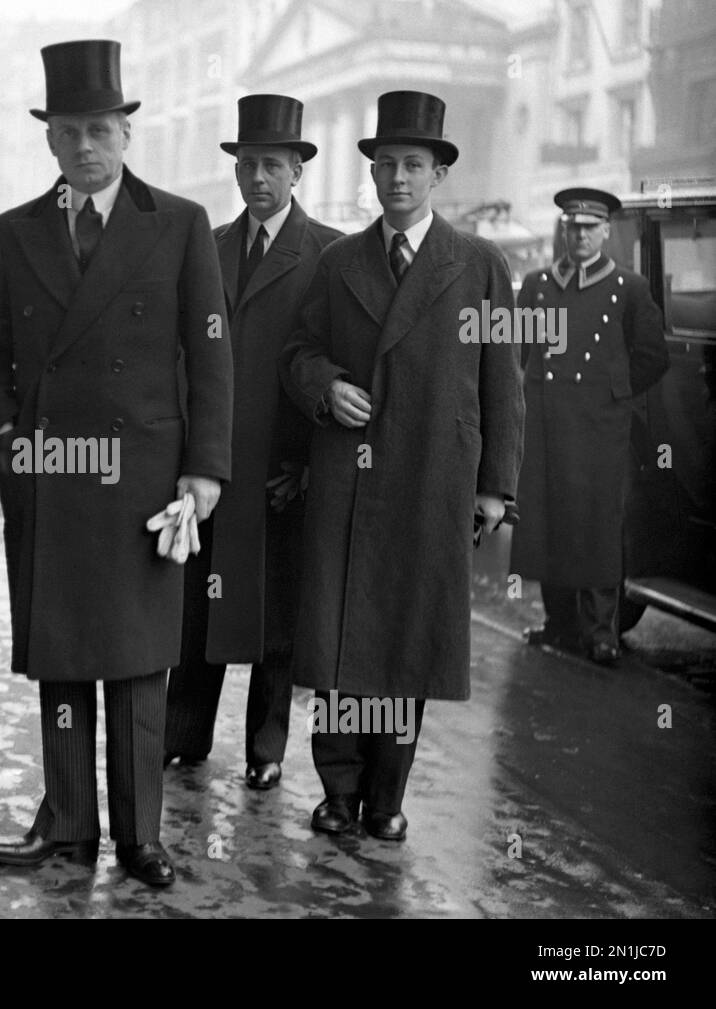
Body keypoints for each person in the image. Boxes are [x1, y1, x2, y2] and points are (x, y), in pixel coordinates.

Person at [0, 40, 232, 887]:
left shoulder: (180, 224)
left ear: (126, 132)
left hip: (146, 482)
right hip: (52, 478)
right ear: (49, 139)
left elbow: (212, 355)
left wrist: (205, 471)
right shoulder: (15, 233)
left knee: (141, 661)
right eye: (70, 130)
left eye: (101, 129)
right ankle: (72, 826)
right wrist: (14, 444)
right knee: (64, 653)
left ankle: (140, 835)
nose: (86, 146)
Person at [279, 91, 524, 841]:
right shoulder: (337, 261)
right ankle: (337, 790)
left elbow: (502, 380)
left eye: (413, 165)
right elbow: (296, 354)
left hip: (431, 479)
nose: (397, 178)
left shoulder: (481, 266)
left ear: (438, 174)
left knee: (406, 640)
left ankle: (386, 797)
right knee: (342, 640)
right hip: (349, 478)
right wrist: (326, 388)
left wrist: (495, 487)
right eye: (385, 164)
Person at [164, 95, 341, 790]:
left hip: (281, 467)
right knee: (199, 606)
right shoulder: (208, 248)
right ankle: (184, 734)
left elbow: (331, 358)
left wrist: (307, 462)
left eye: (272, 164)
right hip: (212, 463)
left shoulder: (327, 253)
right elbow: (182, 356)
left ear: (298, 170)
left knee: (275, 617)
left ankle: (266, 749)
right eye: (247, 164)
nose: (257, 177)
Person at [510, 188, 669, 666]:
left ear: (604, 231)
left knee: (597, 526)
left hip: (600, 429)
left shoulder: (629, 287)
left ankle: (601, 632)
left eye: (589, 227)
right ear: (564, 230)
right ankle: (559, 623)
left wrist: (612, 392)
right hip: (547, 424)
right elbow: (519, 352)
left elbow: (653, 356)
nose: (580, 235)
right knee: (548, 522)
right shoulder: (537, 285)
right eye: (572, 227)